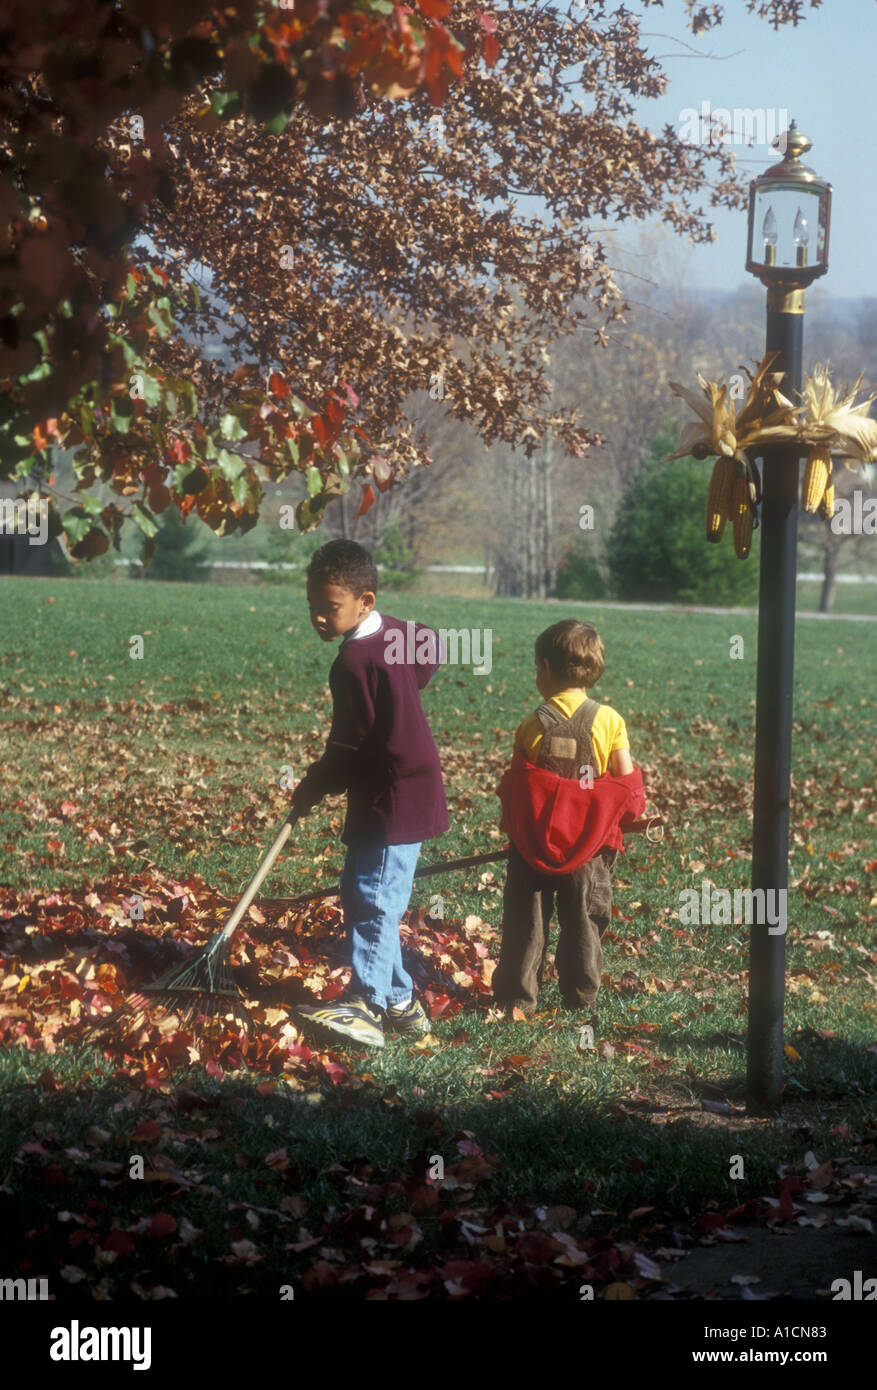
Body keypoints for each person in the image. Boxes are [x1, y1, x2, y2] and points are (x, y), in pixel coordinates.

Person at [289, 539, 448, 1048]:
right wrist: (406, 687)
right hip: (398, 788)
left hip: (392, 796)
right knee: (366, 894)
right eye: (313, 606)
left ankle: (365, 1005)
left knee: (375, 901)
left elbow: (347, 745)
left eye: (329, 607)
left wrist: (313, 786)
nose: (318, 617)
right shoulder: (398, 634)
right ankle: (401, 1003)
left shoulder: (354, 662)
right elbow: (432, 645)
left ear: (366, 601)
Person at [493, 619, 646, 1019]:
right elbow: (628, 786)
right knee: (583, 920)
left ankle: (517, 998)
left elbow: (517, 791)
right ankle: (581, 997)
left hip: (532, 846)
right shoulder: (610, 721)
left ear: (544, 667)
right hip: (589, 847)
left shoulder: (531, 725)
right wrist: (626, 814)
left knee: (526, 921)